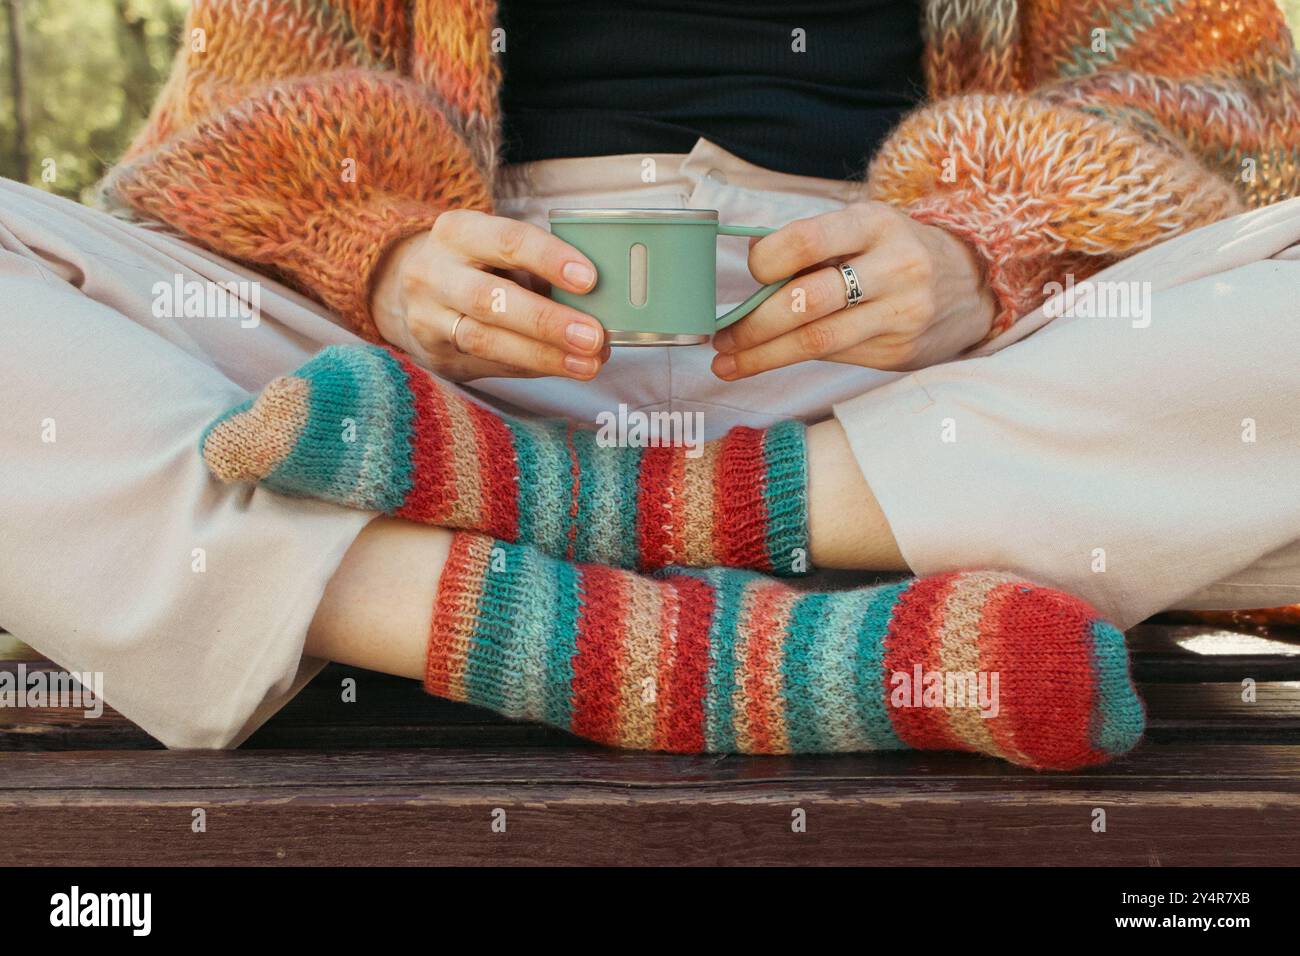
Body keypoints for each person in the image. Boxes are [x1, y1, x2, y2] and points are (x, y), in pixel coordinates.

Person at [1, 0, 1297, 766]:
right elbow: (236, 145)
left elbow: (1211, 124)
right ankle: (590, 634)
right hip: (416, 386)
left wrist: (985, 254)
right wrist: (383, 260)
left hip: (920, 388)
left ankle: (584, 523)